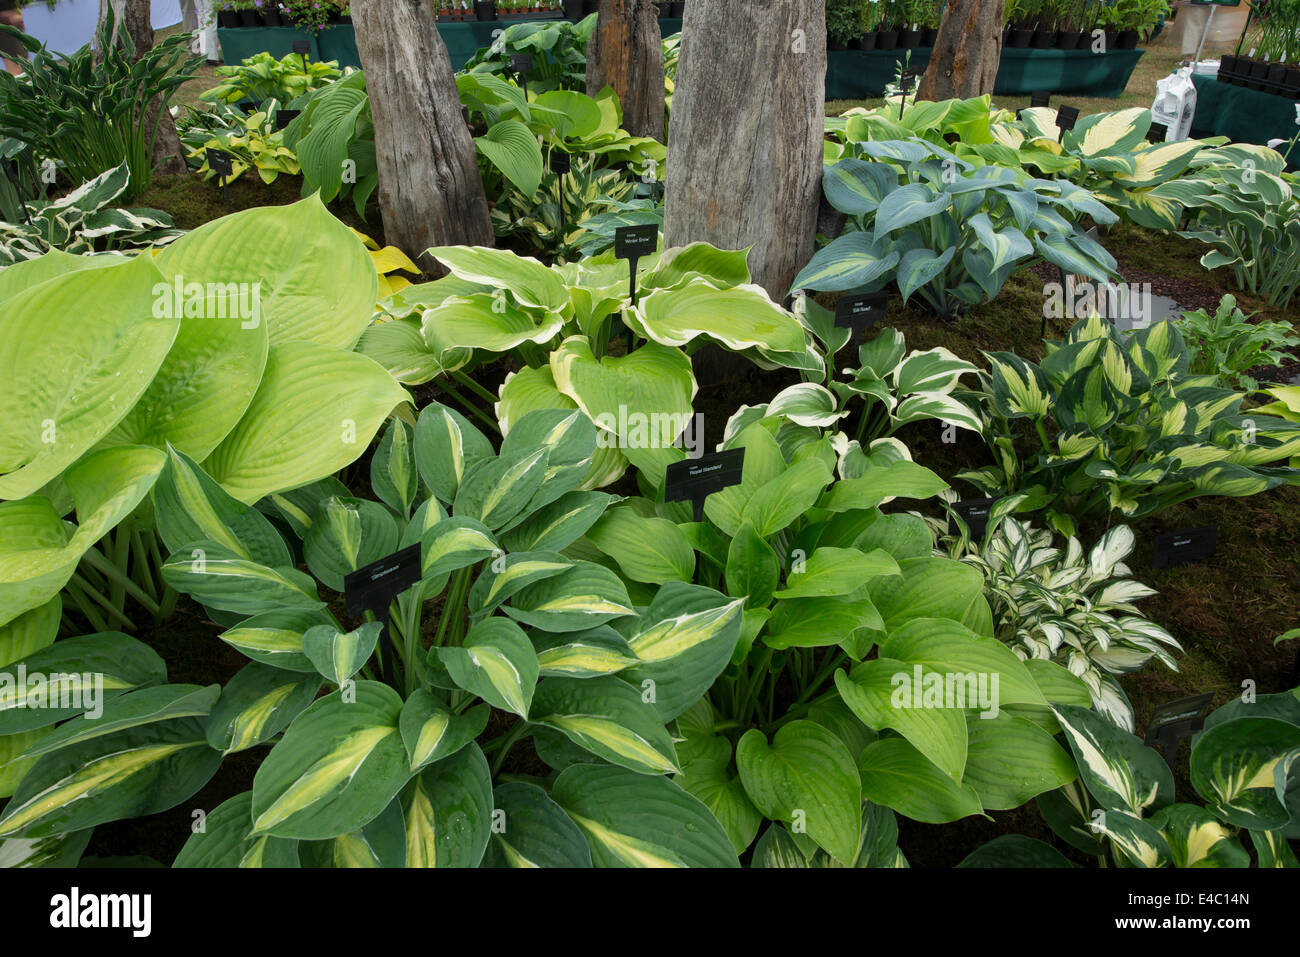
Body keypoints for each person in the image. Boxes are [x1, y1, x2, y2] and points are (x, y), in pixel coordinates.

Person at [0, 0, 28, 76]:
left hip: (12, 24)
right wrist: (6, 15)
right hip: (4, 26)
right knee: (19, 70)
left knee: (25, 67)